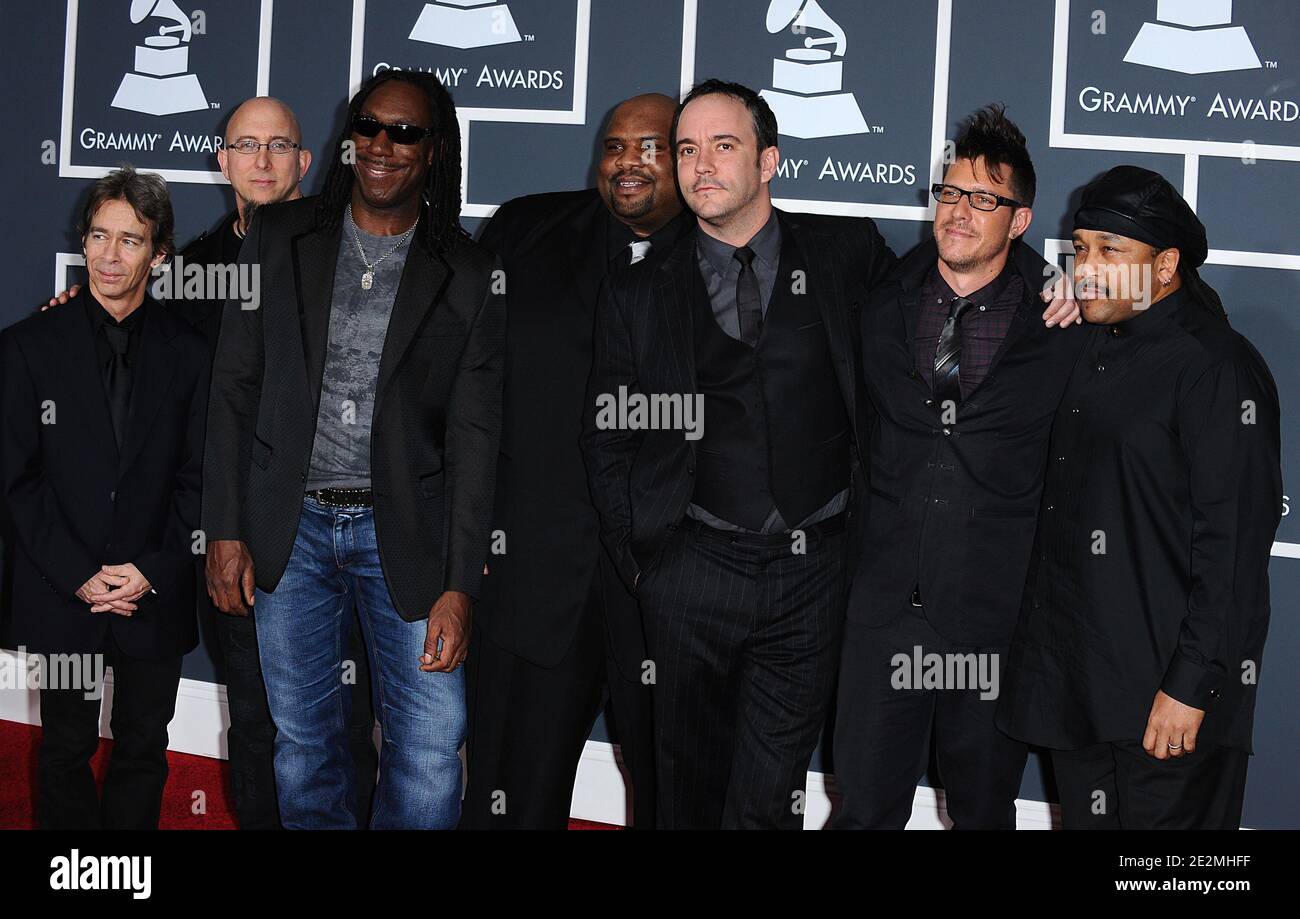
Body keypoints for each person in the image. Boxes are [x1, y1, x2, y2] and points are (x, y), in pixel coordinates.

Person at [44, 97, 379, 830]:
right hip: (234, 533)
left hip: (343, 526)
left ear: (307, 160)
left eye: (278, 145)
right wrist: (76, 316)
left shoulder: (357, 246)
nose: (261, 160)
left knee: (344, 718)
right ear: (220, 161)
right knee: (258, 720)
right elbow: (139, 352)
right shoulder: (191, 271)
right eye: (245, 145)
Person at [582, 79, 896, 829]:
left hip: (812, 571)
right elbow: (609, 431)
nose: (701, 165)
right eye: (686, 148)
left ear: (770, 161)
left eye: (723, 145)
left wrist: (1052, 284)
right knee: (685, 792)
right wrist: (643, 560)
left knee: (768, 794)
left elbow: (942, 297)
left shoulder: (846, 250)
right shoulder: (640, 287)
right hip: (692, 568)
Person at [201, 70, 504, 829]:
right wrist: (227, 525)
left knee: (432, 750)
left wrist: (460, 583)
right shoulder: (278, 236)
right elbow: (234, 387)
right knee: (303, 746)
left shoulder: (467, 275)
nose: (381, 145)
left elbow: (475, 437)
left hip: (405, 534)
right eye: (369, 126)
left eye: (405, 133)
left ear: (435, 150)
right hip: (288, 527)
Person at [997, 165, 1282, 830]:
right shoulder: (1089, 340)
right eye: (1081, 249)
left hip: (1170, 705)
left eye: (1111, 251)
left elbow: (1233, 550)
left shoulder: (1217, 367)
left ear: (1166, 265)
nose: (1087, 268)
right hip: (1082, 692)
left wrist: (1191, 685)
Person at [833, 105, 1085, 830]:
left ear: (1022, 217)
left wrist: (1083, 285)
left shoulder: (1062, 319)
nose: (960, 212)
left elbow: (1171, 300)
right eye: (950, 192)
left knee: (982, 810)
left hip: (993, 621)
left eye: (985, 199)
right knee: (864, 809)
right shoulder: (879, 299)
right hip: (884, 614)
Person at [461, 93, 686, 829]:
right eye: (616, 145)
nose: (628, 161)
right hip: (534, 566)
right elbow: (461, 381)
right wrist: (474, 528)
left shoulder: (734, 254)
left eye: (649, 147)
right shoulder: (526, 230)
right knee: (509, 795)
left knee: (677, 794)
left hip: (671, 586)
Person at [1, 166, 210, 828]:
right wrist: (79, 574)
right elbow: (15, 478)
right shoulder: (28, 347)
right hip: (63, 593)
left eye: (130, 240)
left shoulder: (191, 352)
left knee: (144, 748)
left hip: (155, 588)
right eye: (98, 235)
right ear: (83, 241)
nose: (110, 256)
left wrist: (150, 567)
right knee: (64, 747)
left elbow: (200, 476)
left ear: (160, 253)